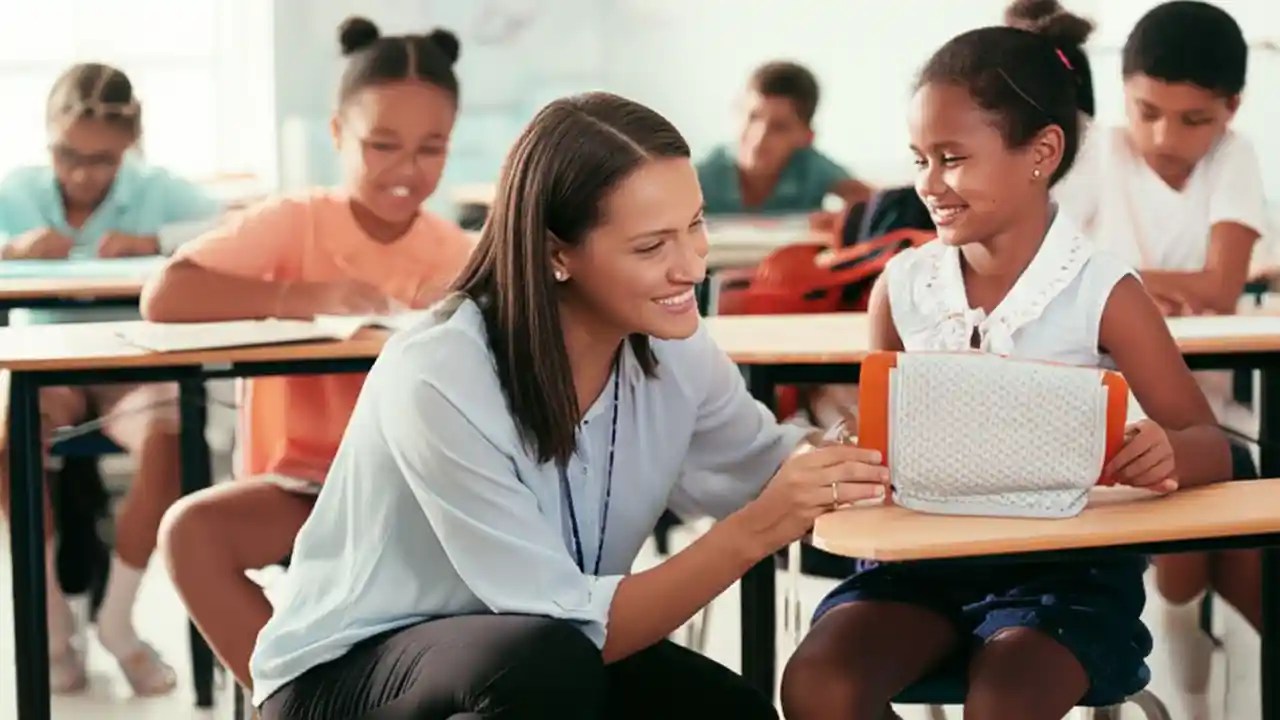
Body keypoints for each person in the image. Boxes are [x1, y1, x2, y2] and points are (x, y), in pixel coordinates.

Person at [246, 91, 888, 720]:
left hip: (543, 650)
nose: (692, 267)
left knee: (732, 713)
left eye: (695, 225)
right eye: (650, 246)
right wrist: (756, 529)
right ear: (558, 254)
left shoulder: (673, 347)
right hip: (346, 677)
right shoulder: (441, 374)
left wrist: (851, 463)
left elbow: (763, 465)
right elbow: (563, 622)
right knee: (543, 669)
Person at [780, 24, 1231, 720]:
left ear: (1041, 153)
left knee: (1005, 704)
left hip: (1064, 578)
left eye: (952, 158)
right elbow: (881, 449)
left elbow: (1211, 445)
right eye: (919, 158)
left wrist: (1166, 451)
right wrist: (843, 453)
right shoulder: (900, 288)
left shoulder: (1103, 291)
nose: (927, 184)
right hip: (920, 571)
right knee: (818, 686)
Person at [141, 17, 475, 691]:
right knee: (191, 533)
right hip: (303, 486)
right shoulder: (297, 222)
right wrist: (311, 292)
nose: (407, 170)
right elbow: (168, 294)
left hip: (416, 491)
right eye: (382, 144)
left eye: (430, 149)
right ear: (336, 135)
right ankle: (302, 701)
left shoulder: (460, 253)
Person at [1053, 4, 1266, 716]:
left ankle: (1192, 660)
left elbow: (1223, 286)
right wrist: (1154, 288)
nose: (1164, 137)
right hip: (1108, 412)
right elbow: (1055, 271)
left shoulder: (1237, 156)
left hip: (1214, 409)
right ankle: (1186, 653)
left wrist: (1119, 277)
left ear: (1231, 109)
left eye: (1193, 120)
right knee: (1190, 483)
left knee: (1231, 482)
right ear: (1123, 94)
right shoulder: (1089, 152)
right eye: (1147, 111)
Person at [0, 61, 221, 696]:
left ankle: (118, 622)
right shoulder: (16, 190)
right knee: (12, 432)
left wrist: (153, 238)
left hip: (130, 371)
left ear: (129, 149)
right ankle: (50, 629)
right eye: (68, 154)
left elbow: (233, 228)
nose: (82, 173)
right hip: (49, 369)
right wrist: (13, 251)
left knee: (174, 430)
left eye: (103, 161)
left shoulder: (160, 192)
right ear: (47, 136)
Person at [697, 60, 871, 220]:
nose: (759, 138)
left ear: (806, 137)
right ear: (736, 112)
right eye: (752, 118)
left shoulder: (811, 168)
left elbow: (877, 203)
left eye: (779, 127)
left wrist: (842, 222)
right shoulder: (701, 174)